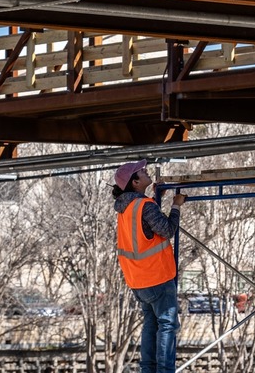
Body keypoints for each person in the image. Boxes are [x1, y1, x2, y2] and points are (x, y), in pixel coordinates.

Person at [114, 160, 187, 373]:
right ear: (135, 182)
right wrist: (176, 206)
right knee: (167, 325)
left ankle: (148, 369)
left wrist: (157, 199)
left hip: (138, 280)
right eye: (142, 171)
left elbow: (146, 226)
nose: (146, 171)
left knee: (151, 324)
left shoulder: (126, 206)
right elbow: (166, 229)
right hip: (157, 276)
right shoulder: (144, 206)